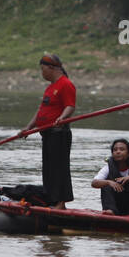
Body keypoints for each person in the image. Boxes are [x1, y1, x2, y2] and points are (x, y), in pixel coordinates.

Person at [16, 53, 76, 208]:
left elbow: (70, 106)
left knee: (59, 169)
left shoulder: (65, 84)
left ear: (52, 68)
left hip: (59, 134)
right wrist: (28, 127)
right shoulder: (51, 87)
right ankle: (52, 199)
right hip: (47, 134)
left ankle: (61, 203)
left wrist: (61, 118)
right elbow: (41, 111)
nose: (42, 73)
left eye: (43, 69)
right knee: (49, 170)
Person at [92, 138, 129, 216]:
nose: (118, 152)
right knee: (106, 185)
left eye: (122, 149)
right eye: (115, 150)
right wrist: (109, 182)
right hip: (118, 205)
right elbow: (94, 183)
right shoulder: (108, 167)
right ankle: (110, 210)